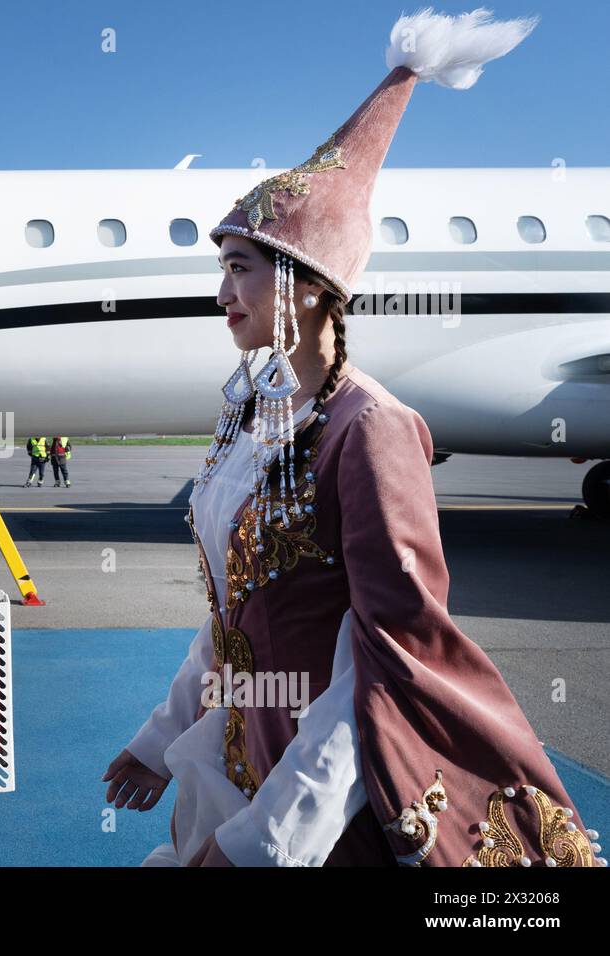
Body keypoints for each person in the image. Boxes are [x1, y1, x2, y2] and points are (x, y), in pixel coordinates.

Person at [102, 8, 604, 867]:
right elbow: (233, 622)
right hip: (247, 758)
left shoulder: (370, 430)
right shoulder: (254, 419)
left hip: (337, 803)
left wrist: (267, 840)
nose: (221, 290)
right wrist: (162, 737)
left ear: (302, 282)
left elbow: (385, 662)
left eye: (239, 267)